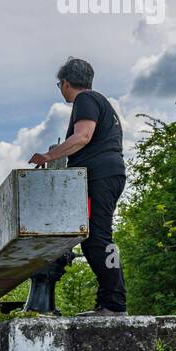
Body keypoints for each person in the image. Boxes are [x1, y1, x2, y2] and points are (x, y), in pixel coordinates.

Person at [29, 57, 127, 316]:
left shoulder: (86, 100)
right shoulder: (100, 102)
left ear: (66, 83)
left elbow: (83, 136)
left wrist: (49, 156)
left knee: (98, 240)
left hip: (101, 176)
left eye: (59, 84)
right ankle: (110, 302)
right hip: (107, 175)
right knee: (98, 238)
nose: (60, 88)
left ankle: (115, 305)